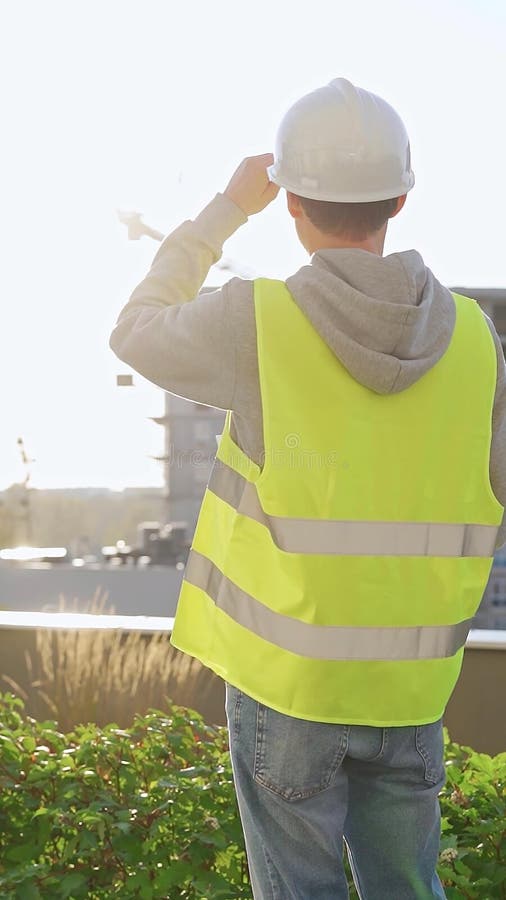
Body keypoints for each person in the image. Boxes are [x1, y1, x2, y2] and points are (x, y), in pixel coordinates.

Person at [109, 77, 506, 899]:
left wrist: (225, 210)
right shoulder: (477, 344)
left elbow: (135, 330)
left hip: (290, 693)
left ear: (289, 199)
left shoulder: (256, 320)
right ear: (400, 196)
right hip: (410, 693)